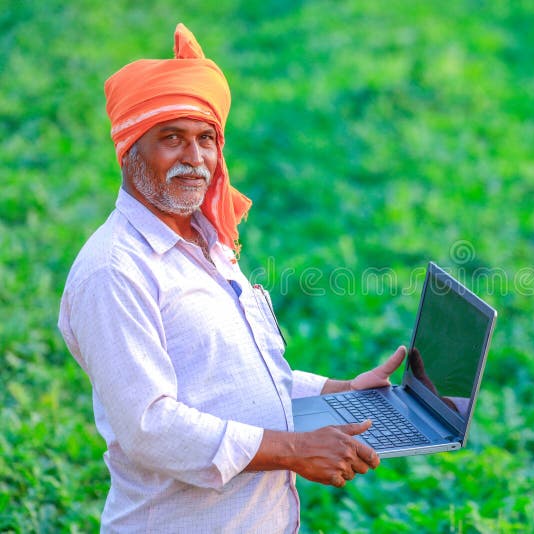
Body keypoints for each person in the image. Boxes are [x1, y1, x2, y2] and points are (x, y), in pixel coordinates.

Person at [58, 23, 406, 533]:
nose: (195, 159)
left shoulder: (209, 242)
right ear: (130, 151)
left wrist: (340, 391)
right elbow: (149, 427)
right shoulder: (114, 271)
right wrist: (294, 450)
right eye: (170, 139)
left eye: (206, 139)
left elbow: (232, 379)